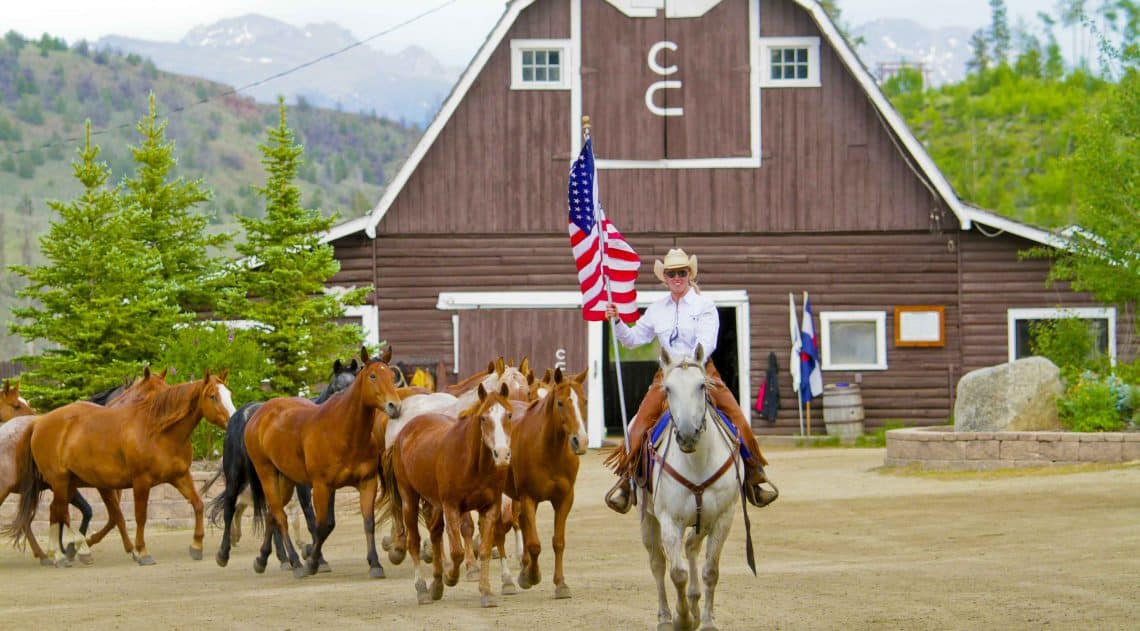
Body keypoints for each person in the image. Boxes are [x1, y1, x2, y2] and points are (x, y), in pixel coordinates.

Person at [603, 248, 779, 513]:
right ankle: (627, 482)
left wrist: (691, 365)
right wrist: (617, 321)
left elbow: (707, 341)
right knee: (636, 428)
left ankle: (754, 476)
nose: (677, 278)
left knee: (738, 419)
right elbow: (633, 339)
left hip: (702, 370)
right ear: (665, 277)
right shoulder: (656, 310)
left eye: (682, 273)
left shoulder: (704, 306)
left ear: (689, 274)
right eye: (672, 273)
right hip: (667, 374)